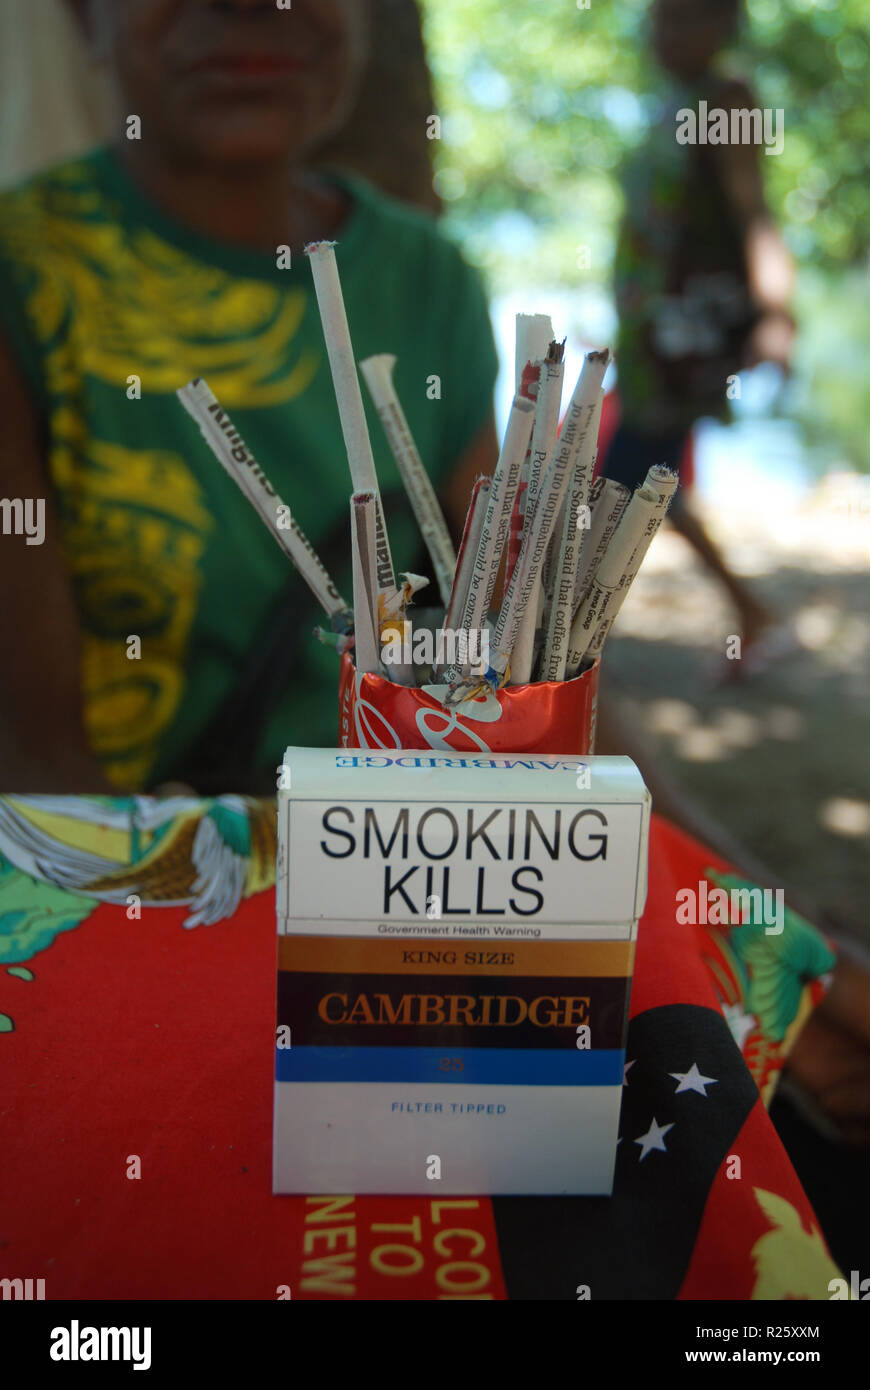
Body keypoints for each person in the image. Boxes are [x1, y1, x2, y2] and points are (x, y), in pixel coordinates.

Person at [0, 0, 499, 794]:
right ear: (81, 17)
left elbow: (524, 666)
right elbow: (42, 770)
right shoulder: (24, 276)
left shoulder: (429, 279)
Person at [602, 0, 795, 663]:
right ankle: (753, 615)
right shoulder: (670, 105)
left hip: (687, 342)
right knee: (645, 485)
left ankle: (558, 649)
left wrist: (776, 313)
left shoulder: (728, 99)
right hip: (654, 341)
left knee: (626, 483)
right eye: (660, 17)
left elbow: (756, 212)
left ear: (723, 25)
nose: (665, 32)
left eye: (686, 17)